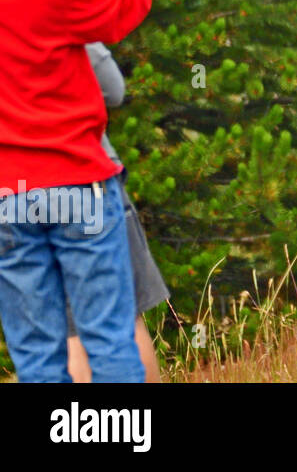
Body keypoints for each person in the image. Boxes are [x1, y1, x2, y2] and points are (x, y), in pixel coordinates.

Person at [0, 0, 151, 382]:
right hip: (77, 181)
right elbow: (128, 2)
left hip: (7, 195)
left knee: (36, 355)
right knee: (108, 339)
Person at [66, 42, 169, 383]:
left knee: (69, 332)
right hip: (86, 178)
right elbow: (112, 88)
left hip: (19, 193)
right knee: (123, 316)